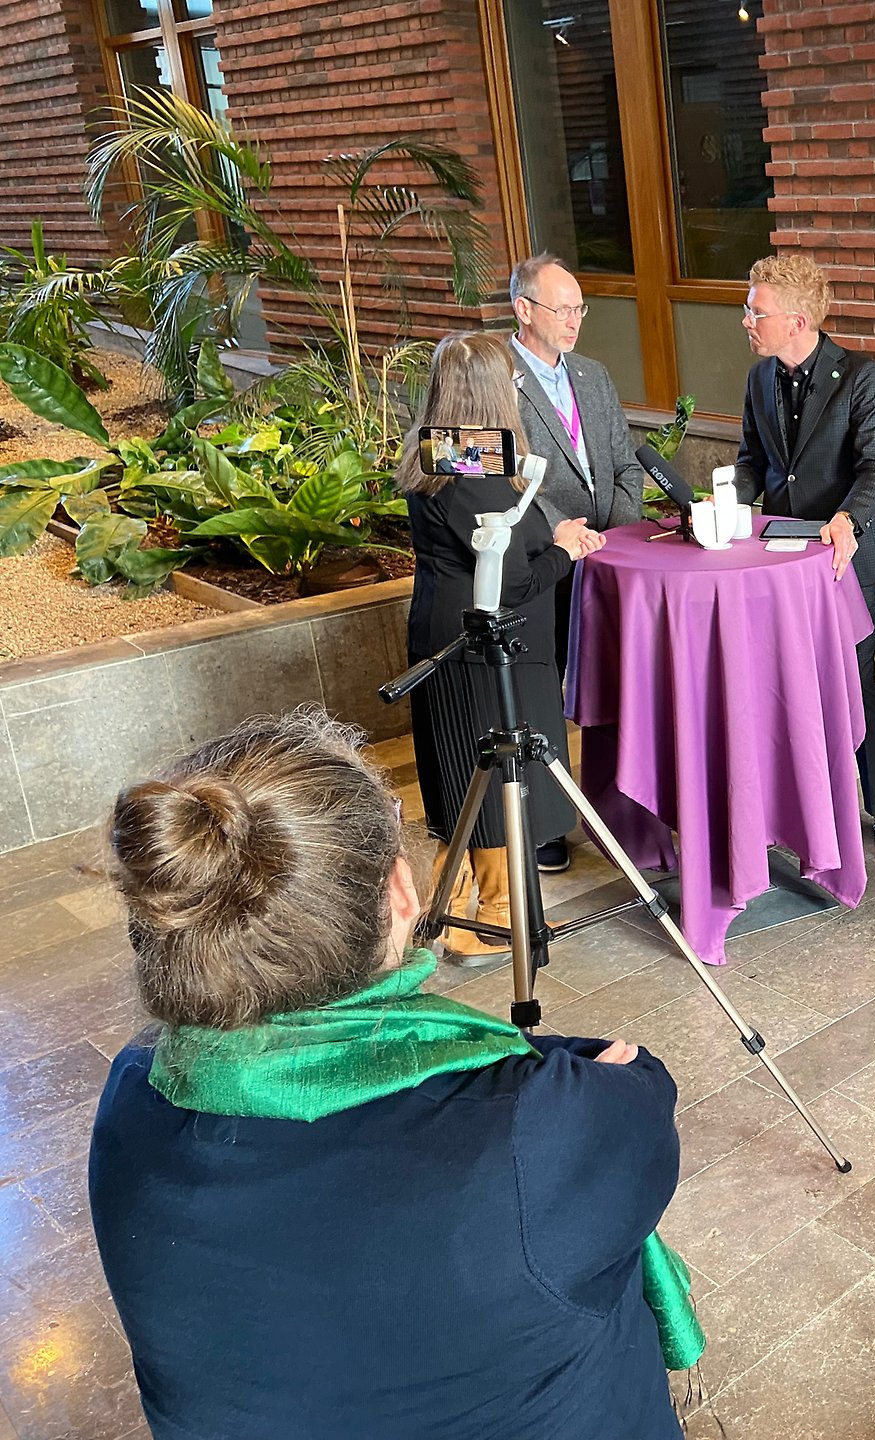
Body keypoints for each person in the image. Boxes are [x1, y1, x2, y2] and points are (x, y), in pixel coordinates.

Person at [88, 709, 687, 1440]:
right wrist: (551, 1085)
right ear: (403, 897)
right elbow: (638, 1093)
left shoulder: (137, 1089)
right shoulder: (532, 1130)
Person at [397, 331, 605, 954]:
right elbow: (512, 578)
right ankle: (490, 922)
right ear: (491, 393)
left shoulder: (438, 448)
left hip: (444, 630)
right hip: (484, 646)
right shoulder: (467, 466)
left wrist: (549, 529)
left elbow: (507, 527)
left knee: (460, 776)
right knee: (495, 779)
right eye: (510, 382)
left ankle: (446, 911)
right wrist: (563, 553)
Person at [734, 252, 875, 867]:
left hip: (843, 559)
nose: (746, 321)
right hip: (778, 562)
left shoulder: (859, 375)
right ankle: (803, 809)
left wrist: (848, 519)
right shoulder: (759, 379)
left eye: (757, 311)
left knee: (856, 686)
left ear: (799, 320)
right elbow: (753, 462)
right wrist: (720, 502)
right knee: (787, 688)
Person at [509, 252, 694, 748]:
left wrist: (618, 535)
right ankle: (547, 807)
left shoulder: (592, 373)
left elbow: (626, 463)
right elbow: (506, 477)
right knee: (546, 685)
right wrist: (563, 534)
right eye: (561, 309)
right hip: (545, 557)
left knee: (618, 685)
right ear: (524, 310)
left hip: (609, 554)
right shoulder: (496, 381)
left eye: (580, 309)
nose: (574, 322)